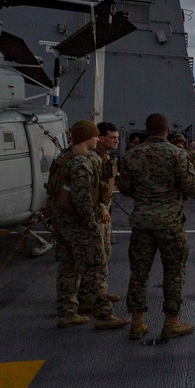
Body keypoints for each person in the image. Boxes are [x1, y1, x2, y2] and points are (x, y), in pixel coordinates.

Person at [120, 114, 195, 340]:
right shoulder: (177, 154)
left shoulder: (132, 155)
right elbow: (194, 190)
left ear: (146, 130)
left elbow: (124, 188)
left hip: (141, 222)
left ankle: (137, 323)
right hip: (169, 223)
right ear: (167, 130)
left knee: (139, 273)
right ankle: (171, 322)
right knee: (173, 272)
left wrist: (145, 197)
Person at [53, 120, 130, 331]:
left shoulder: (64, 157)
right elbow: (82, 199)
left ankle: (67, 313)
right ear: (87, 137)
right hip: (80, 225)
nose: (98, 139)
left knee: (68, 268)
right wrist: (92, 226)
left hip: (64, 223)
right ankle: (104, 316)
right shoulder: (81, 162)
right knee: (95, 270)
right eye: (95, 135)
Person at [78, 122, 121, 313]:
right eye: (113, 137)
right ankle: (89, 297)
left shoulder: (105, 157)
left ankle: (99, 291)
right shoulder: (93, 159)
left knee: (105, 252)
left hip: (105, 211)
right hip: (97, 212)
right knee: (96, 257)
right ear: (100, 138)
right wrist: (102, 207)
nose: (117, 140)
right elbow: (91, 189)